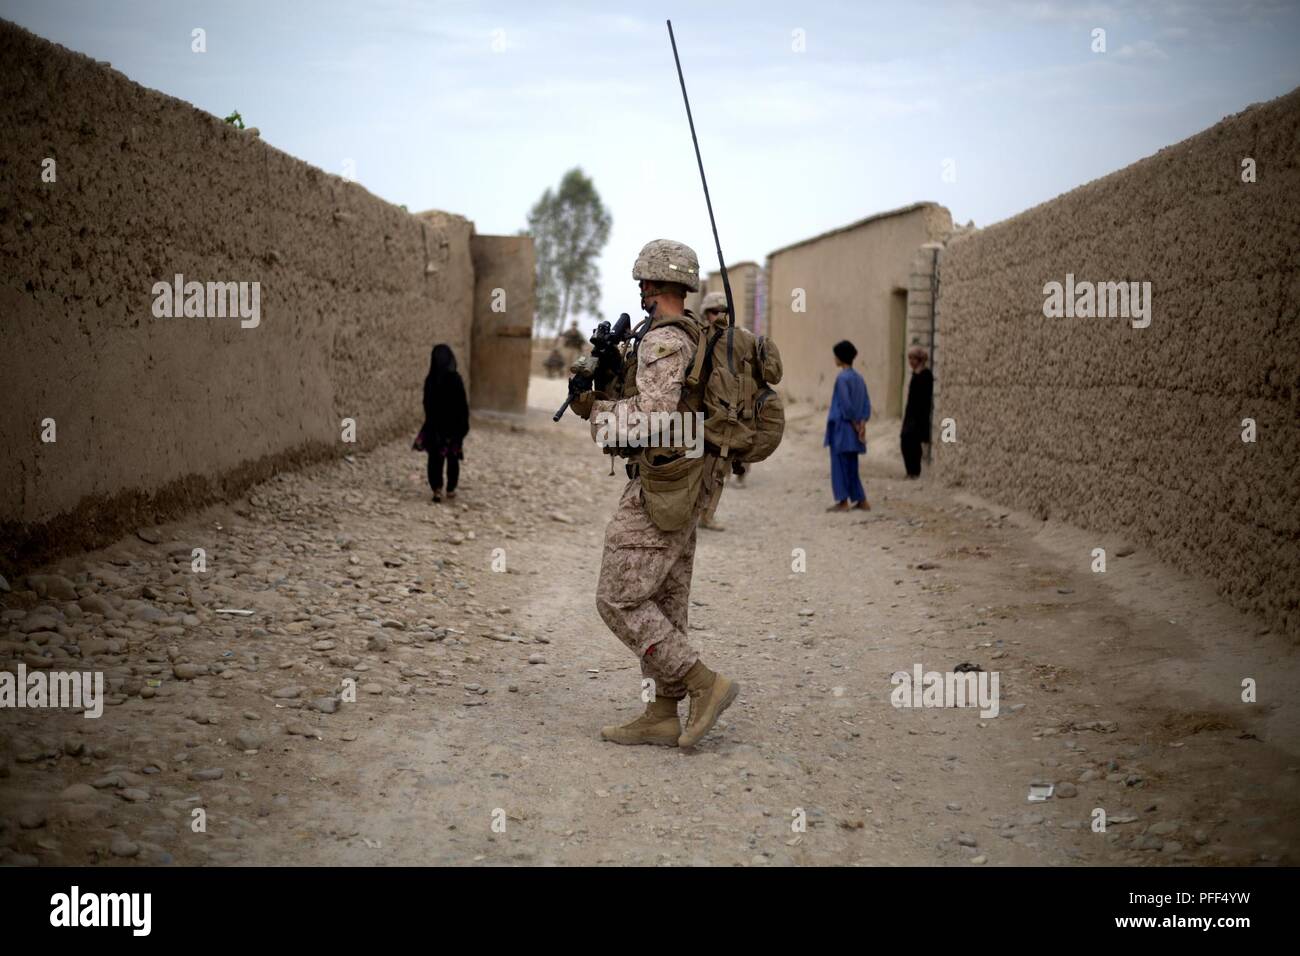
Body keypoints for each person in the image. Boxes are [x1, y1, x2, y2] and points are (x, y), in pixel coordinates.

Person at [568, 239, 739, 749]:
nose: (640, 290)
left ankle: (703, 684)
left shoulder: (664, 340)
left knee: (616, 598)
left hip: (663, 483)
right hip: (686, 479)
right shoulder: (694, 333)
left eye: (644, 282)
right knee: (665, 602)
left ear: (653, 284)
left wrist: (598, 414)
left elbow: (653, 415)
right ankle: (663, 713)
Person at [825, 339, 871, 511]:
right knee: (852, 465)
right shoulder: (859, 378)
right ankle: (861, 499)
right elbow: (866, 403)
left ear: (840, 357)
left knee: (839, 465)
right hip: (856, 429)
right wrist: (862, 424)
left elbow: (846, 406)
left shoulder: (842, 379)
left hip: (843, 429)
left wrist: (854, 425)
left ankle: (843, 501)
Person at [420, 343, 468, 503]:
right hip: (454, 428)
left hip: (435, 427)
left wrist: (430, 423)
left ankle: (437, 489)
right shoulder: (456, 380)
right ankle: (451, 489)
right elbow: (462, 405)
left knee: (435, 458)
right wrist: (463, 426)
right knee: (452, 458)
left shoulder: (430, 380)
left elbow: (426, 404)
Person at [900, 345, 933, 478]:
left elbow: (924, 398)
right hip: (911, 413)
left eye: (913, 359)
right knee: (905, 440)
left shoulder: (925, 375)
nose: (910, 362)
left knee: (913, 442)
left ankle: (914, 471)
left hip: (919, 415)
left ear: (919, 359)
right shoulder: (916, 374)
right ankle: (910, 471)